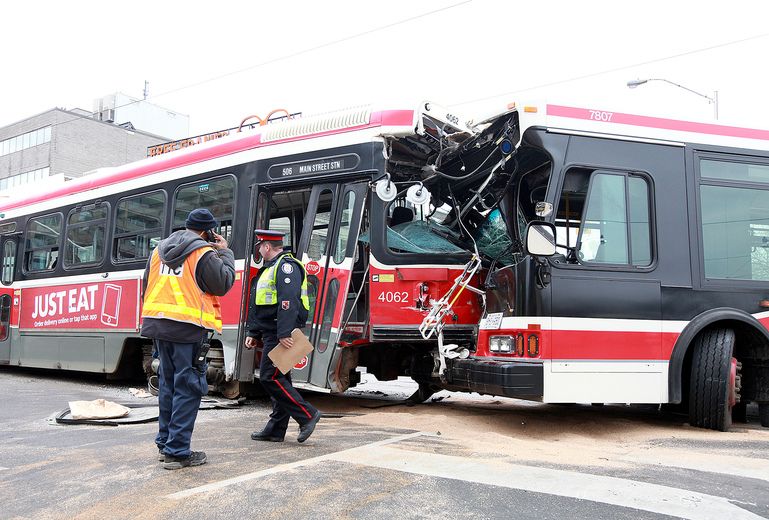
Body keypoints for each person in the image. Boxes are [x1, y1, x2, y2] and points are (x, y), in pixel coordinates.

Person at [141, 208, 235, 470]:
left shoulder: (158, 251)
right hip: (187, 329)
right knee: (189, 386)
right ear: (208, 232)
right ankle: (178, 451)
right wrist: (225, 252)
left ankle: (165, 443)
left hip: (158, 327)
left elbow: (146, 285)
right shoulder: (203, 252)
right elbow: (223, 283)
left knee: (168, 384)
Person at [244, 229, 320, 443]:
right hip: (272, 332)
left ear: (267, 246)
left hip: (282, 334)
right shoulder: (269, 268)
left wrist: (284, 333)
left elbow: (288, 302)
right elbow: (261, 304)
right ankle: (276, 429)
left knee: (271, 377)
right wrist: (254, 332)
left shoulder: (286, 267)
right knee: (281, 379)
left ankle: (307, 415)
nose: (258, 249)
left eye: (260, 246)